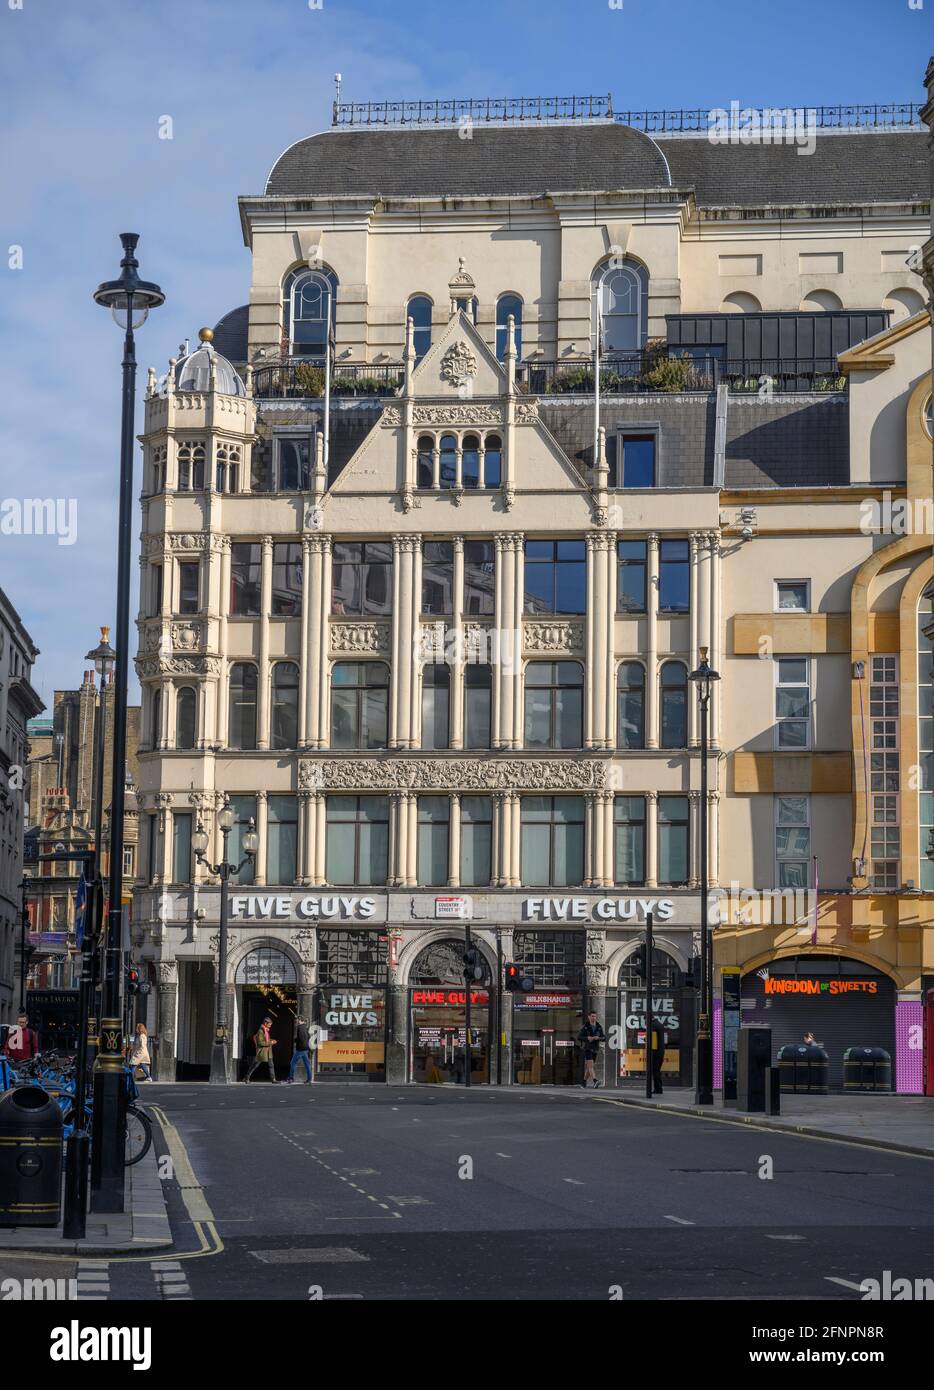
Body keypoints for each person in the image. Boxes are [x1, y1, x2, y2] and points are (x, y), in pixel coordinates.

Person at [244, 1016, 277, 1083]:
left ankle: (273, 1079)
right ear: (265, 1023)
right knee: (255, 1065)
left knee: (271, 1065)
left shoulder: (266, 1030)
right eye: (269, 1024)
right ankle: (247, 1077)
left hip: (268, 1051)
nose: (270, 1026)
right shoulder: (260, 1031)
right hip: (262, 1051)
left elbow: (266, 1040)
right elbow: (260, 1042)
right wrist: (270, 1043)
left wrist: (271, 1040)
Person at [578, 1011, 605, 1089]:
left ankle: (583, 1082)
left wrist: (598, 1038)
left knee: (589, 1067)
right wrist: (587, 1038)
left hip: (595, 1048)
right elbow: (579, 1037)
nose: (594, 1018)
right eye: (592, 1016)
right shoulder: (585, 1026)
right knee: (590, 1066)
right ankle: (595, 1081)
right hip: (587, 1048)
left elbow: (604, 1037)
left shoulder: (599, 1026)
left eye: (595, 1016)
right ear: (589, 1017)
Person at [286, 1016, 312, 1084]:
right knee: (307, 1064)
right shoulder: (306, 1027)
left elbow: (300, 1038)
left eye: (297, 1020)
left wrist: (295, 1040)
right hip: (306, 1049)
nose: (296, 1021)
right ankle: (309, 1079)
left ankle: (291, 1078)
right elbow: (308, 1037)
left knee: (293, 1063)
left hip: (300, 1049)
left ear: (300, 1020)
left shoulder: (299, 1027)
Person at [650, 1019, 667, 1095]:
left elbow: (651, 1038)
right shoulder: (660, 1024)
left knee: (655, 1071)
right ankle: (658, 1088)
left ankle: (658, 1089)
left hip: (655, 1052)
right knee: (657, 1071)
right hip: (661, 1051)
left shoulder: (653, 1025)